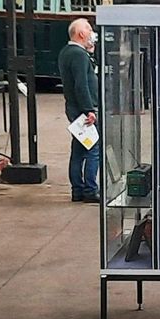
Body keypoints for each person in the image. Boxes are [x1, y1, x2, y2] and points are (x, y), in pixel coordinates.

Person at [61, 18, 102, 202]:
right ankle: (90, 190)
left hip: (73, 108)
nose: (92, 33)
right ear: (81, 34)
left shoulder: (67, 52)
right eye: (89, 29)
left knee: (78, 150)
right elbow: (81, 85)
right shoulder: (78, 54)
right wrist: (89, 110)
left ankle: (77, 189)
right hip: (83, 111)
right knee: (93, 149)